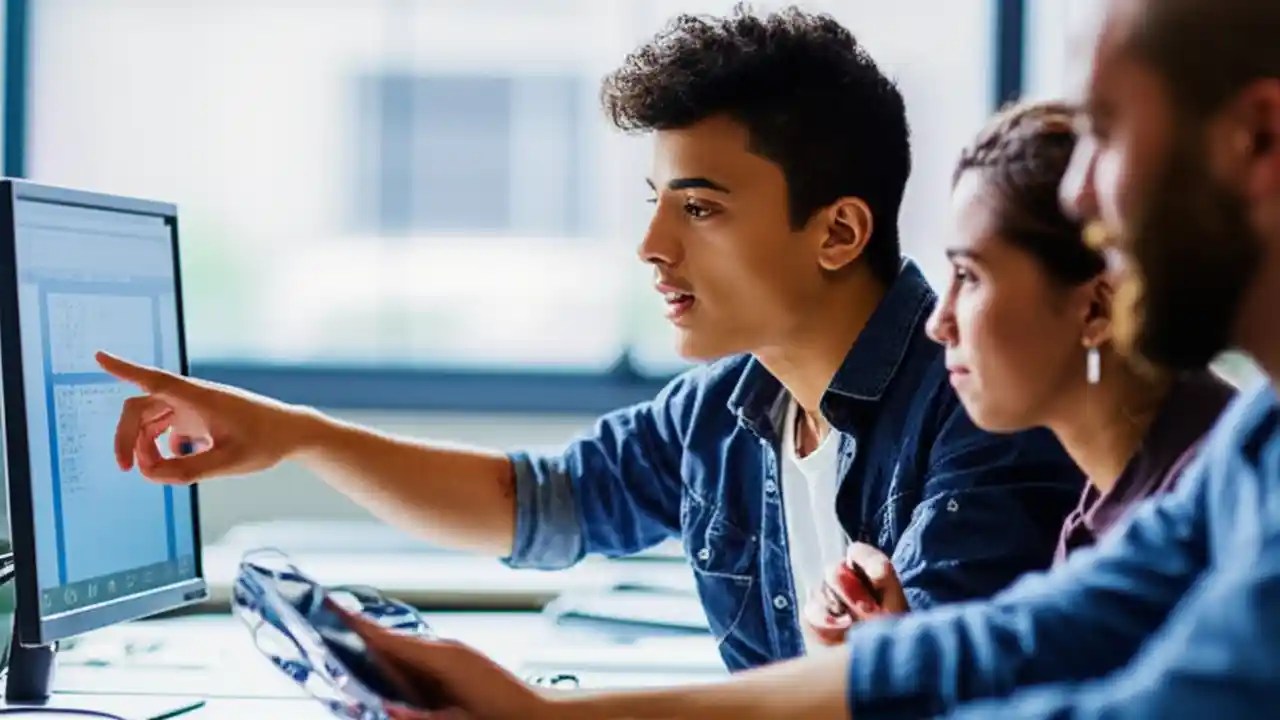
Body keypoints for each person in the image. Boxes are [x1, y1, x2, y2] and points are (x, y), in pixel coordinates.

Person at [290, 0, 1280, 716]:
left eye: (1104, 134)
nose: (1079, 201)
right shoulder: (1249, 444)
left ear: (1258, 137)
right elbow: (1022, 640)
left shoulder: (988, 425)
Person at [99, 5, 1082, 671]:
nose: (649, 248)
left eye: (698, 210)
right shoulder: (725, 409)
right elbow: (534, 503)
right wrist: (298, 437)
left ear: (836, 232)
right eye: (654, 203)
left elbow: (925, 684)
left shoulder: (977, 406)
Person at [803, 100, 1235, 643]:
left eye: (970, 276)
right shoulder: (1102, 501)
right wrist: (899, 641)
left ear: (1098, 308)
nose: (940, 322)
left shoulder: (1216, 506)